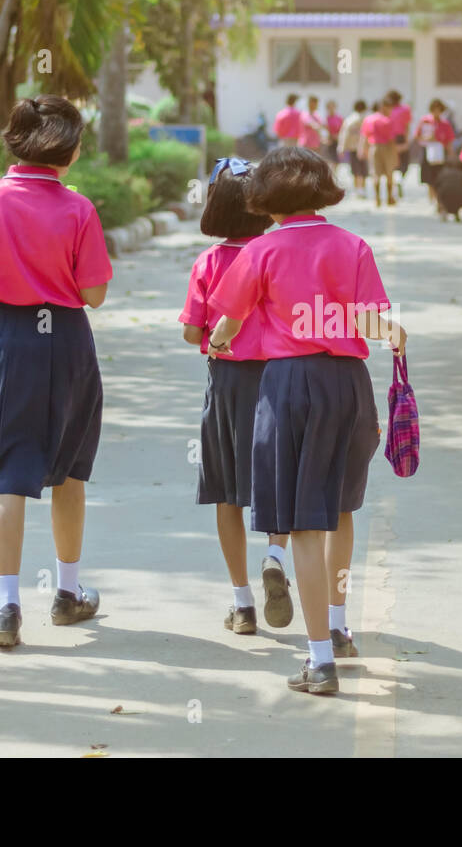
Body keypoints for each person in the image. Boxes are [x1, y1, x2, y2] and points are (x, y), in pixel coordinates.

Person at [207, 147, 408, 695]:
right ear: (322, 191)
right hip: (348, 385)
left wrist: (219, 344)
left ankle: (319, 660)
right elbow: (371, 319)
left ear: (267, 200)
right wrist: (391, 331)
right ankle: (340, 626)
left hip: (289, 385)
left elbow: (230, 317)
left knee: (300, 523)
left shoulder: (263, 250)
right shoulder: (353, 246)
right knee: (340, 509)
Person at [0, 95, 112, 649]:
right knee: (69, 470)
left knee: (9, 472)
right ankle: (66, 594)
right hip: (66, 342)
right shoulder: (79, 209)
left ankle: (7, 607)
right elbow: (94, 295)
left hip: (5, 338)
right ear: (70, 151)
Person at [178, 157, 294, 634]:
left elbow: (192, 333)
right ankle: (273, 555)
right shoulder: (278, 254)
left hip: (227, 385)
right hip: (280, 380)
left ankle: (242, 603)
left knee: (228, 492)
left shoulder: (208, 262)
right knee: (279, 480)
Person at [415, 98, 456, 210]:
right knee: (428, 178)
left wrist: (451, 153)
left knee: (439, 177)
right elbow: (417, 136)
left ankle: (439, 201)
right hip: (427, 151)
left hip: (440, 153)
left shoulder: (445, 124)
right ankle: (433, 199)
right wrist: (428, 138)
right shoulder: (425, 121)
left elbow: (449, 140)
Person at [359, 99, 397, 207]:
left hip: (373, 147)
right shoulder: (387, 120)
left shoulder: (368, 119)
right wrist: (395, 154)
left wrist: (363, 149)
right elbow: (391, 139)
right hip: (387, 147)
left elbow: (364, 136)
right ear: (384, 107)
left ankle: (377, 199)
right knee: (389, 173)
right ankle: (389, 198)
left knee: (375, 173)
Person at [338, 99, 369, 198]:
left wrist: (342, 147)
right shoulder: (366, 119)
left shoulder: (349, 120)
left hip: (352, 148)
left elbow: (345, 135)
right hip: (364, 148)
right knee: (363, 169)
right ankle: (362, 189)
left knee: (355, 170)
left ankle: (357, 189)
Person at [386, 90, 412, 198]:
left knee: (392, 163)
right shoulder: (405, 109)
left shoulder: (388, 110)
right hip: (401, 138)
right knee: (404, 162)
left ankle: (395, 183)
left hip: (390, 139)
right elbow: (407, 126)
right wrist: (407, 141)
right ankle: (399, 179)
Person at [324, 100, 343, 169]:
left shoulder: (339, 118)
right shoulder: (326, 118)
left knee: (337, 160)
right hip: (329, 141)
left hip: (338, 140)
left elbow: (342, 129)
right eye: (329, 107)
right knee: (330, 159)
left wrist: (338, 136)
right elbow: (324, 129)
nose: (331, 109)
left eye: (333, 107)